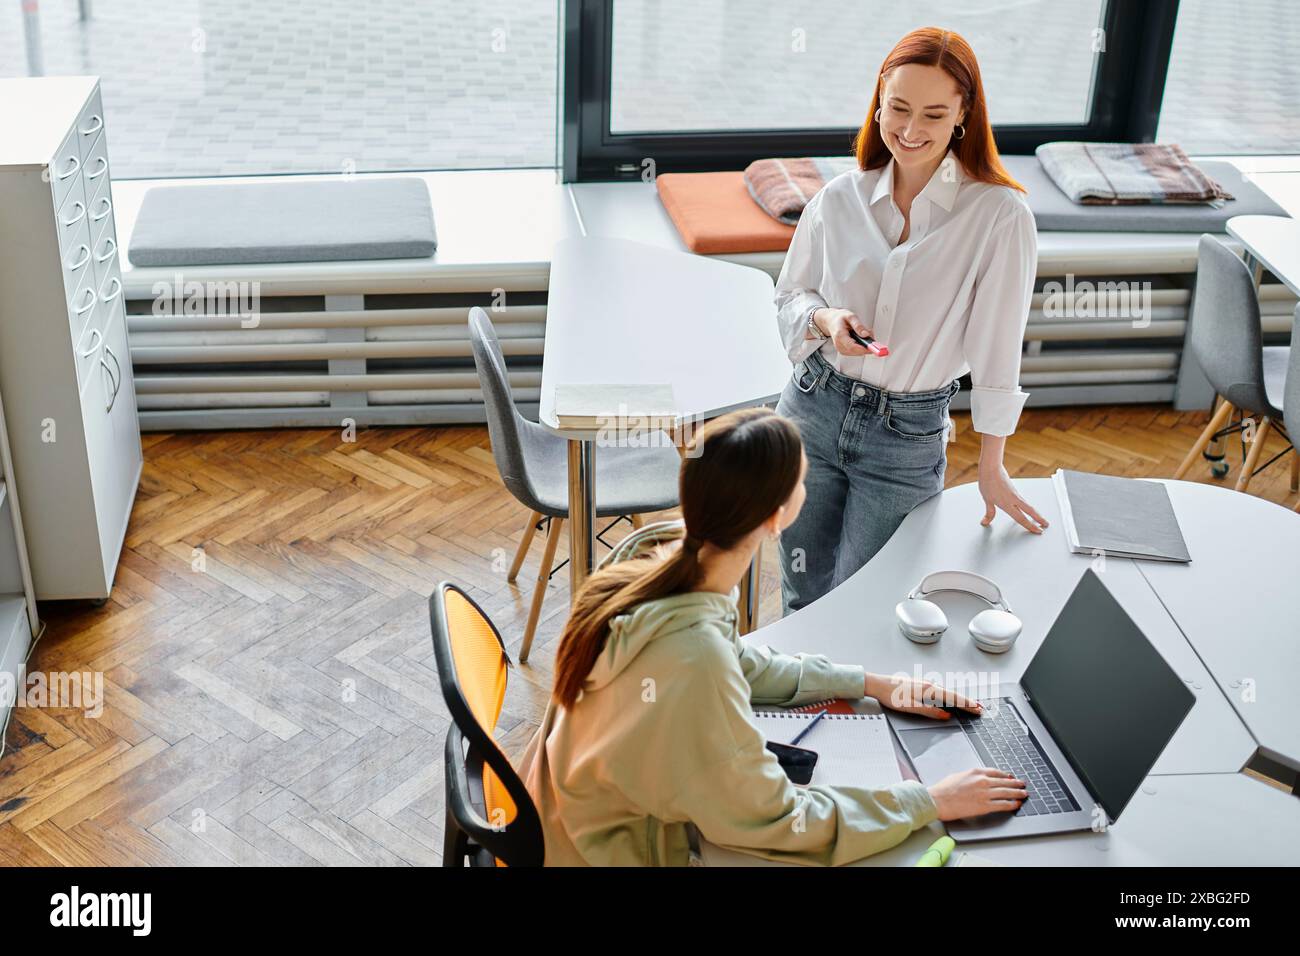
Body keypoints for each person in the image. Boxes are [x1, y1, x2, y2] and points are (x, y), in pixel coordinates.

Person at [518, 407, 1026, 866]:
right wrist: (930, 801)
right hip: (599, 855)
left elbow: (737, 663)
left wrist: (872, 683)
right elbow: (777, 819)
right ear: (776, 518)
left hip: (555, 816)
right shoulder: (695, 660)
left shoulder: (656, 551)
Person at [775, 27, 1048, 615]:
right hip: (812, 410)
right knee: (802, 595)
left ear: (963, 116)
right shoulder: (838, 198)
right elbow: (791, 295)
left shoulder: (999, 215)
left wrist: (992, 464)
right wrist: (826, 319)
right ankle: (801, 709)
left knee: (866, 604)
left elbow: (999, 350)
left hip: (906, 436)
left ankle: (860, 708)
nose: (910, 129)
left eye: (933, 113)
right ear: (878, 102)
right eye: (897, 108)